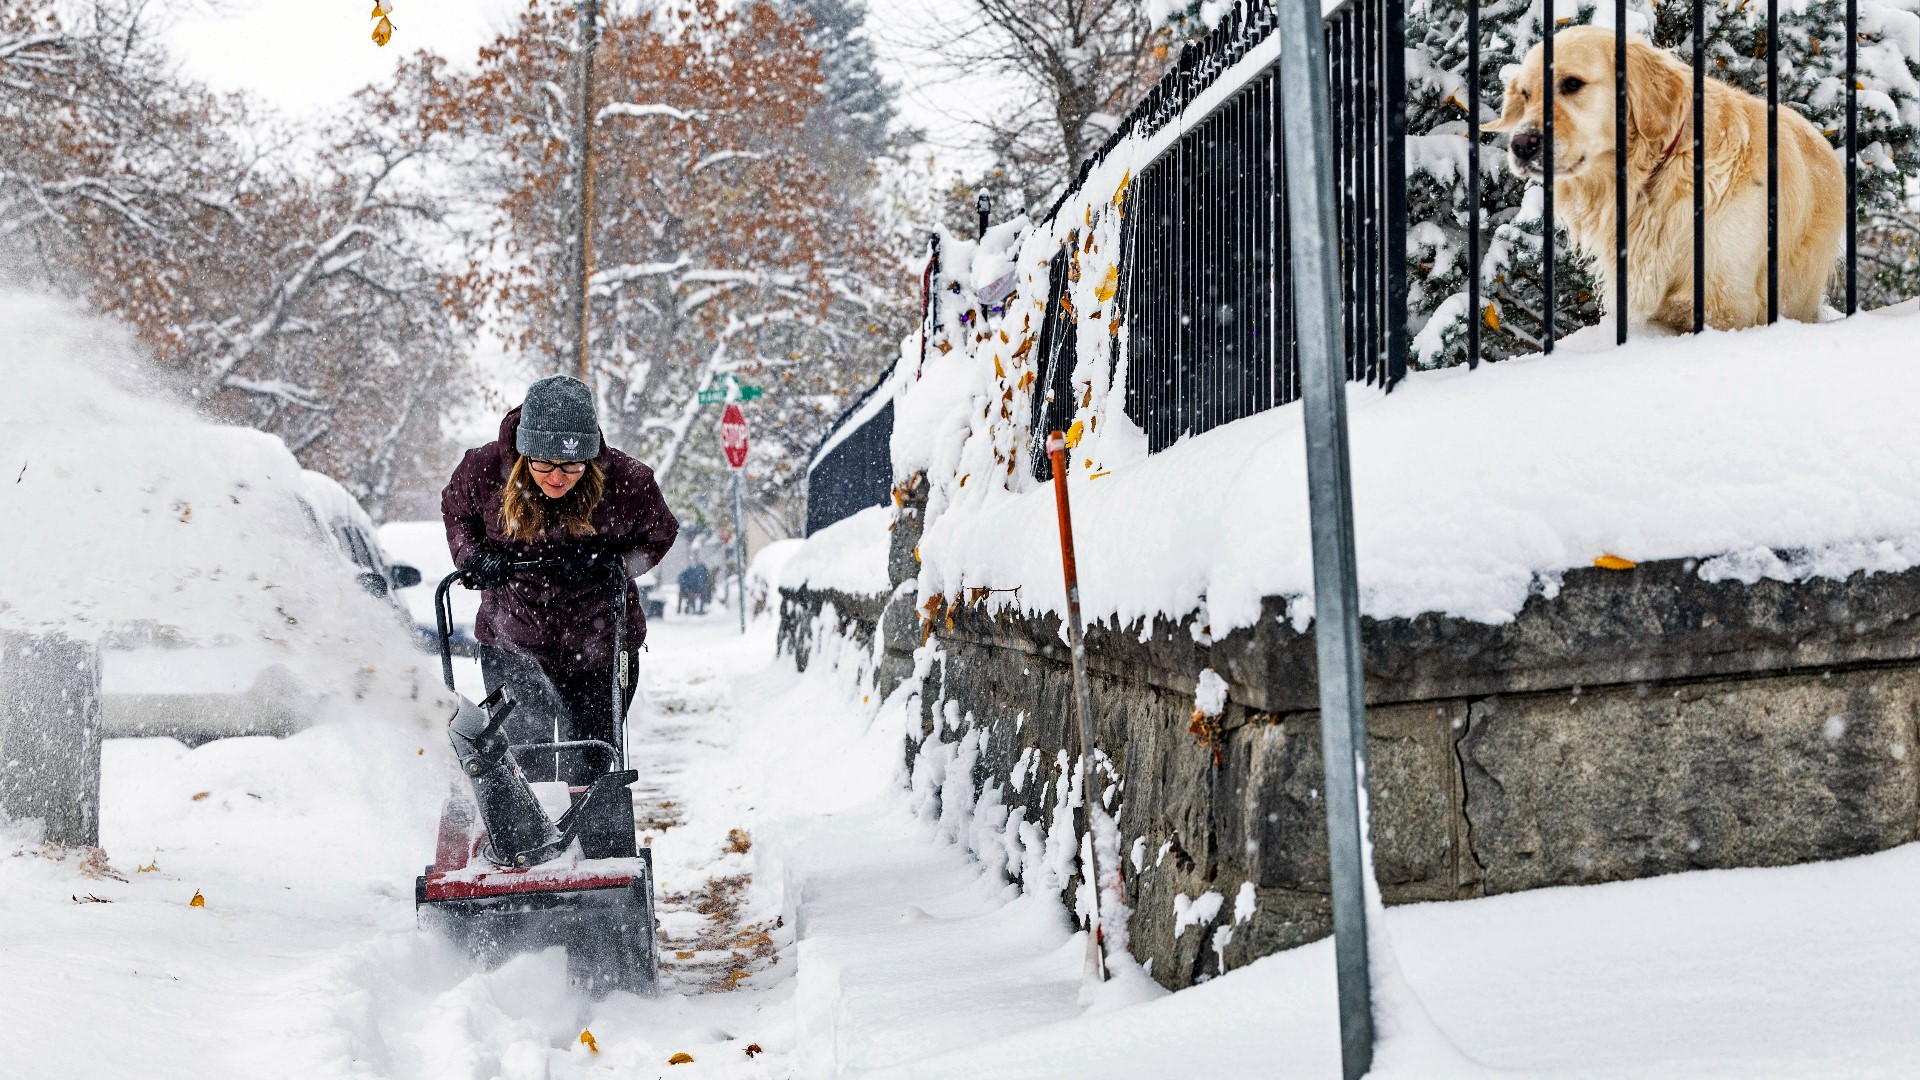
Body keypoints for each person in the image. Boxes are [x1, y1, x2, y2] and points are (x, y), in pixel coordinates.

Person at [442, 375, 678, 784]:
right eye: (544, 465)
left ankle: (593, 841)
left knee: (587, 765)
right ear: (522, 453)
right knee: (522, 765)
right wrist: (473, 558)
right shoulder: (483, 471)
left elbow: (659, 534)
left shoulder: (629, 482)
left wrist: (612, 564)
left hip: (599, 645)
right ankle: (527, 844)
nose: (556, 478)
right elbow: (456, 512)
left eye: (571, 466)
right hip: (512, 640)